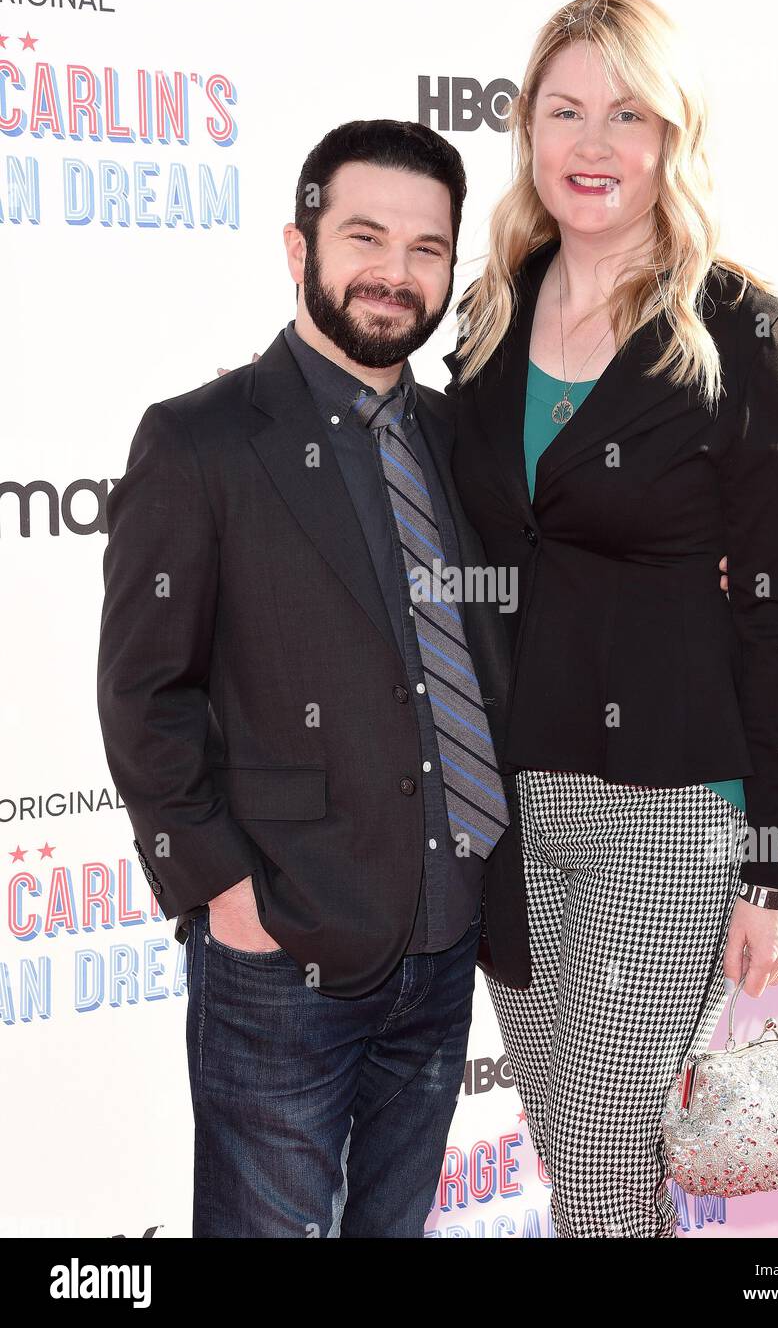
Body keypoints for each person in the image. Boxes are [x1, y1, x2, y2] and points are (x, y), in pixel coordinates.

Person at [440, 0, 778, 1238]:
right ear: (529, 136)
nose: (592, 141)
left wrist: (773, 861)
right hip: (508, 803)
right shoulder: (489, 320)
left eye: (626, 111)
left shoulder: (738, 335)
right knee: (579, 1160)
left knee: (608, 1159)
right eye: (565, 110)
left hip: (669, 810)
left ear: (672, 137)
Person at [95, 120, 526, 1238]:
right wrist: (224, 894)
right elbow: (146, 691)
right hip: (280, 951)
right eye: (365, 236)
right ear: (300, 248)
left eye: (427, 247)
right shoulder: (200, 442)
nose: (395, 271)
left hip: (439, 941)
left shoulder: (457, 440)